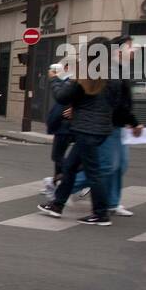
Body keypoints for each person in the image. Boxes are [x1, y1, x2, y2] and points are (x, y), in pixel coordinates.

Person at [36, 40, 116, 225]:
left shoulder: (87, 74)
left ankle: (101, 214)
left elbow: (63, 96)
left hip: (86, 129)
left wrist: (55, 79)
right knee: (70, 167)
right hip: (99, 128)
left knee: (93, 173)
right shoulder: (112, 75)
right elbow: (113, 102)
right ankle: (57, 204)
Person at [69, 36, 143, 216]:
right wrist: (133, 121)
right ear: (117, 50)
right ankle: (63, 187)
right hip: (104, 126)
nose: (135, 50)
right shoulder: (110, 71)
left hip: (116, 125)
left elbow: (122, 102)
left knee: (118, 166)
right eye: (130, 47)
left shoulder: (121, 70)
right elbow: (116, 103)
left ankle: (111, 202)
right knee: (105, 167)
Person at [41, 63, 72, 199]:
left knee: (58, 157)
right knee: (58, 157)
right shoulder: (66, 82)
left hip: (65, 126)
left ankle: (72, 179)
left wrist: (54, 79)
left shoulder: (69, 82)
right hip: (63, 125)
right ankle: (55, 183)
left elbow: (60, 98)